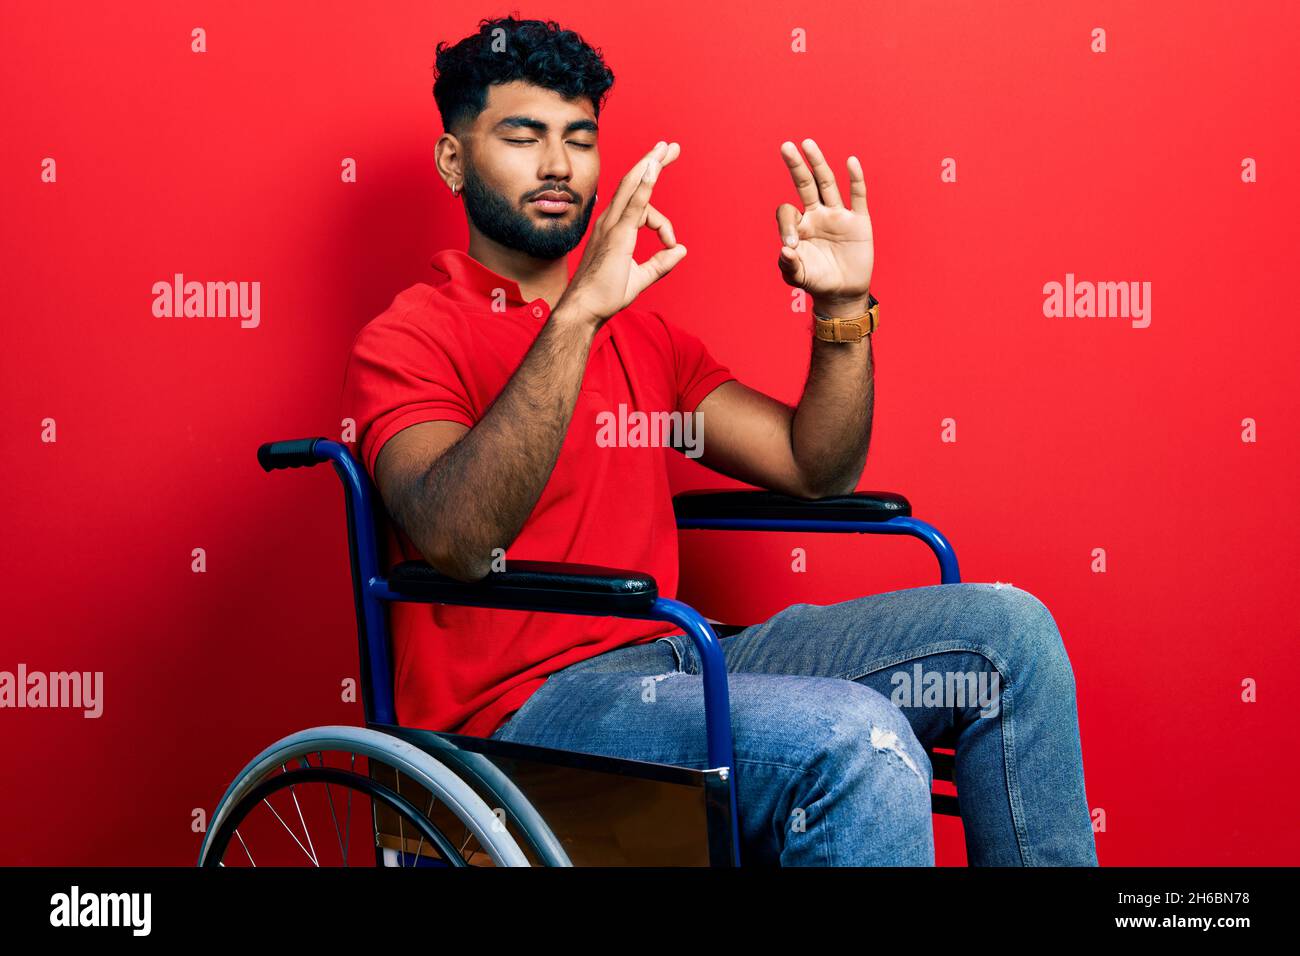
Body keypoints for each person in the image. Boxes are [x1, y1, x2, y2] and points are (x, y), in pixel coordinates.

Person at [340, 14, 1098, 866]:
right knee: (860, 738)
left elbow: (815, 466)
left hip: (678, 660)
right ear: (454, 159)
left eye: (579, 140)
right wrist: (577, 315)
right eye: (524, 136)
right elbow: (457, 539)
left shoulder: (649, 340)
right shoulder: (409, 337)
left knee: (1010, 638)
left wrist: (843, 310)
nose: (558, 165)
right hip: (528, 716)